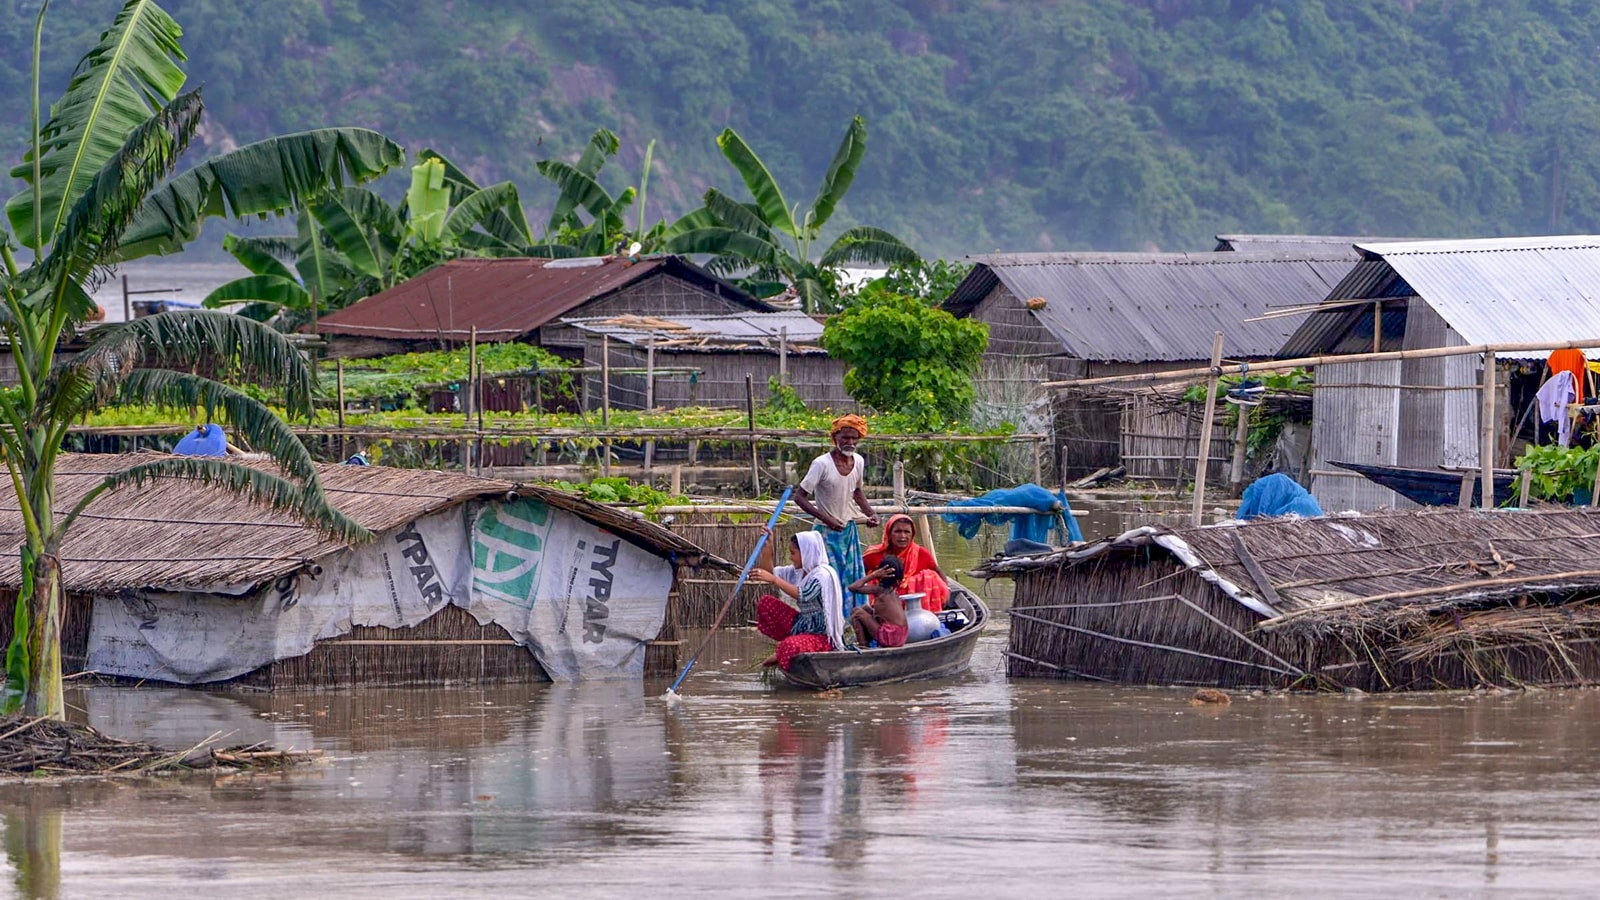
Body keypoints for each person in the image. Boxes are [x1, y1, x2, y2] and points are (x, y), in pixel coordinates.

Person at [795, 415, 878, 614]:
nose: (850, 442)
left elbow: (857, 493)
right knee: (828, 580)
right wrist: (828, 519)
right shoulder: (821, 464)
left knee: (851, 578)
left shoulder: (858, 461)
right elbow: (799, 497)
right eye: (845, 438)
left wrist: (871, 514)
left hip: (848, 532)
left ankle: (851, 621)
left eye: (854, 438)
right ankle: (827, 623)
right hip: (824, 533)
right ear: (835, 439)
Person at [751, 531, 848, 670]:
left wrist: (774, 580)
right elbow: (770, 572)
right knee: (766, 603)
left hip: (822, 636)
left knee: (788, 645)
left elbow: (804, 595)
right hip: (803, 625)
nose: (791, 558)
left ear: (806, 553)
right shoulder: (800, 571)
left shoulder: (823, 574)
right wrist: (768, 547)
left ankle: (784, 650)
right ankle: (790, 643)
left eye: (793, 553)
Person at [862, 514, 950, 613]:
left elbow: (937, 571)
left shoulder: (921, 553)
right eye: (898, 531)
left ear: (912, 535)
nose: (903, 536)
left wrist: (946, 590)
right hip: (883, 602)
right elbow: (858, 577)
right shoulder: (873, 555)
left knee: (929, 576)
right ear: (889, 534)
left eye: (907, 532)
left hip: (915, 604)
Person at [847, 557, 909, 649]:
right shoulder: (893, 591)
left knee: (857, 612)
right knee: (866, 608)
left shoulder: (879, 590)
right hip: (902, 636)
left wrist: (873, 575)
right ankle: (866, 642)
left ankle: (863, 647)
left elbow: (852, 587)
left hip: (891, 637)